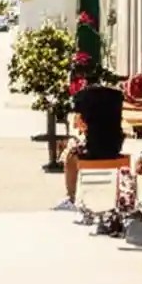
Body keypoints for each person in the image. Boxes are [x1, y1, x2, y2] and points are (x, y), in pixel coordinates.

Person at [53, 81, 126, 212]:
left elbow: (79, 126)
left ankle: (71, 197)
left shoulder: (85, 108)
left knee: (70, 155)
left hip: (93, 150)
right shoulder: (114, 104)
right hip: (114, 148)